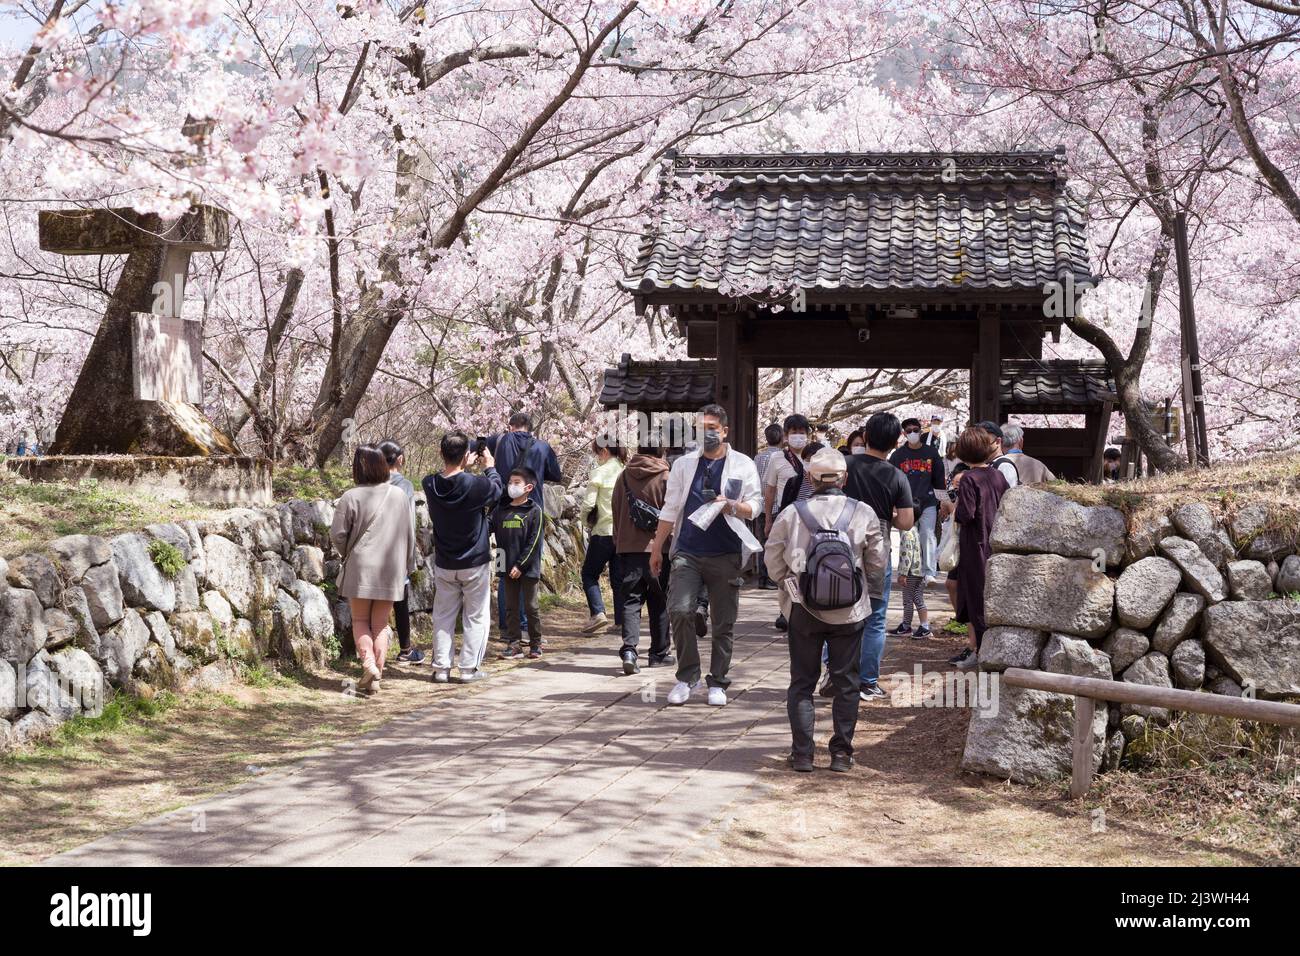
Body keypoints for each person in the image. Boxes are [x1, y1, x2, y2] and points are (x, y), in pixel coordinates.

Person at [765, 446, 886, 773]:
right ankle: (842, 755)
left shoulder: (792, 513)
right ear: (844, 478)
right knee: (847, 682)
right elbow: (877, 563)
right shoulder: (862, 512)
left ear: (810, 478)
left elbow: (772, 560)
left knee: (802, 682)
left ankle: (803, 754)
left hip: (803, 610)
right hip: (850, 612)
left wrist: (789, 584)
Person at [649, 404, 762, 707]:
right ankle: (687, 676)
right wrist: (658, 546)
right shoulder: (685, 464)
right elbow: (671, 507)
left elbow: (756, 506)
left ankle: (718, 681)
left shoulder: (743, 464)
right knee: (681, 609)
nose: (707, 433)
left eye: (713, 427)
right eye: (701, 427)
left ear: (725, 431)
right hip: (688, 549)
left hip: (726, 552)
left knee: (723, 621)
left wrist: (733, 506)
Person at [330, 445, 418, 694]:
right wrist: (407, 565)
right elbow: (409, 533)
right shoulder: (399, 495)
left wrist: (348, 551)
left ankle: (368, 663)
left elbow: (338, 534)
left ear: (358, 468)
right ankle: (375, 678)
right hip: (391, 568)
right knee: (380, 624)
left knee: (360, 620)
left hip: (360, 567)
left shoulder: (351, 497)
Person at [843, 412, 914, 702]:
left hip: (841, 545)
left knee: (836, 613)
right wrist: (892, 517)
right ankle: (867, 681)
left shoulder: (844, 465)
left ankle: (833, 674)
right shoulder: (897, 476)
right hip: (877, 547)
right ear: (896, 442)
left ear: (866, 437)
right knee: (874, 618)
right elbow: (907, 522)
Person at [423, 431, 502, 683]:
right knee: (476, 615)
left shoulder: (429, 484)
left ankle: (441, 668)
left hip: (445, 561)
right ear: (466, 455)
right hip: (474, 562)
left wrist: (463, 463)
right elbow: (497, 490)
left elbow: (449, 476)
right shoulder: (475, 484)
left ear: (440, 453)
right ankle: (469, 669)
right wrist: (489, 467)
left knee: (443, 616)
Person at [488, 412, 562, 637]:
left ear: (510, 426)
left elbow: (473, 445)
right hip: (531, 513)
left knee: (503, 569)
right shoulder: (542, 446)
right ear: (530, 427)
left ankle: (506, 627)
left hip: (502, 513)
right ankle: (524, 626)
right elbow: (556, 475)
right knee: (527, 566)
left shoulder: (498, 441)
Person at [949, 426, 1011, 671]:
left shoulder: (969, 479)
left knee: (977, 598)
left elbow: (965, 515)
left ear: (963, 454)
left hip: (975, 544)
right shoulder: (998, 476)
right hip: (996, 542)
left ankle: (983, 652)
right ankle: (981, 650)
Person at [612, 444, 674, 674]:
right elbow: (673, 513)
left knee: (631, 600)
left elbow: (616, 509)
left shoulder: (624, 476)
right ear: (661, 452)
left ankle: (629, 650)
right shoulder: (666, 477)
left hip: (629, 549)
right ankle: (658, 653)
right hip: (660, 549)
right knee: (659, 599)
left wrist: (619, 542)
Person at [764, 415, 816, 631]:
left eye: (802, 433)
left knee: (807, 565)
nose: (798, 437)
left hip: (813, 520)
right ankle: (787, 610)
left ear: (808, 435)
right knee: (789, 565)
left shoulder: (815, 456)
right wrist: (768, 519)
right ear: (785, 436)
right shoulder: (777, 459)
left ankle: (807, 605)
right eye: (793, 432)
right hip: (787, 520)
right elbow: (770, 490)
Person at [492, 467, 545, 660]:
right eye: (510, 482)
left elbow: (534, 542)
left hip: (527, 567)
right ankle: (513, 644)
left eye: (516, 483)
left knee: (531, 607)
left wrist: (521, 565)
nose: (511, 486)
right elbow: (487, 527)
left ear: (528, 487)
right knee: (510, 607)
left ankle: (535, 644)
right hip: (504, 562)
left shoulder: (534, 511)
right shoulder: (500, 510)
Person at [380, 440, 425, 664]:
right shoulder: (403, 485)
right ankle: (406, 650)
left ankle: (369, 655)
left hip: (372, 554)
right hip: (396, 552)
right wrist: (410, 558)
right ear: (399, 459)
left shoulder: (369, 483)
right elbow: (409, 523)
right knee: (400, 601)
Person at [889, 417, 946, 584]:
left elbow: (939, 480)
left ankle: (929, 572)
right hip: (904, 503)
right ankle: (908, 572)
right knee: (907, 537)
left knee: (927, 535)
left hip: (928, 501)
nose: (912, 433)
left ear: (921, 431)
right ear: (903, 434)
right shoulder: (898, 455)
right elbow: (892, 481)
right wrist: (893, 504)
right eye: (909, 431)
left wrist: (943, 501)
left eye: (915, 430)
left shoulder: (931, 453)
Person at [580, 439, 627, 633]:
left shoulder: (599, 473)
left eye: (598, 453)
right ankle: (621, 620)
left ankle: (598, 613)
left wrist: (585, 521)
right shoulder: (626, 472)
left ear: (605, 451)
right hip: (623, 534)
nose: (597, 457)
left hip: (602, 532)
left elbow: (589, 504)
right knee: (618, 578)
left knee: (589, 573)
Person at [752, 423, 785, 589]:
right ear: (782, 437)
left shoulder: (758, 458)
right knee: (777, 544)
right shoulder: (783, 458)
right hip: (776, 506)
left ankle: (762, 578)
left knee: (763, 542)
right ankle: (772, 578)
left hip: (760, 506)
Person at [891, 524, 931, 638]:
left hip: (910, 572)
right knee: (918, 598)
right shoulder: (915, 530)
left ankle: (906, 626)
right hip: (918, 570)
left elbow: (907, 554)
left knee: (908, 600)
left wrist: (903, 573)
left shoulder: (906, 533)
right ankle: (924, 626)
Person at [976, 420, 1020, 488]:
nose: (980, 445)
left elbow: (1009, 495)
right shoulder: (989, 464)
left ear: (997, 441)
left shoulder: (1004, 466)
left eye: (984, 441)